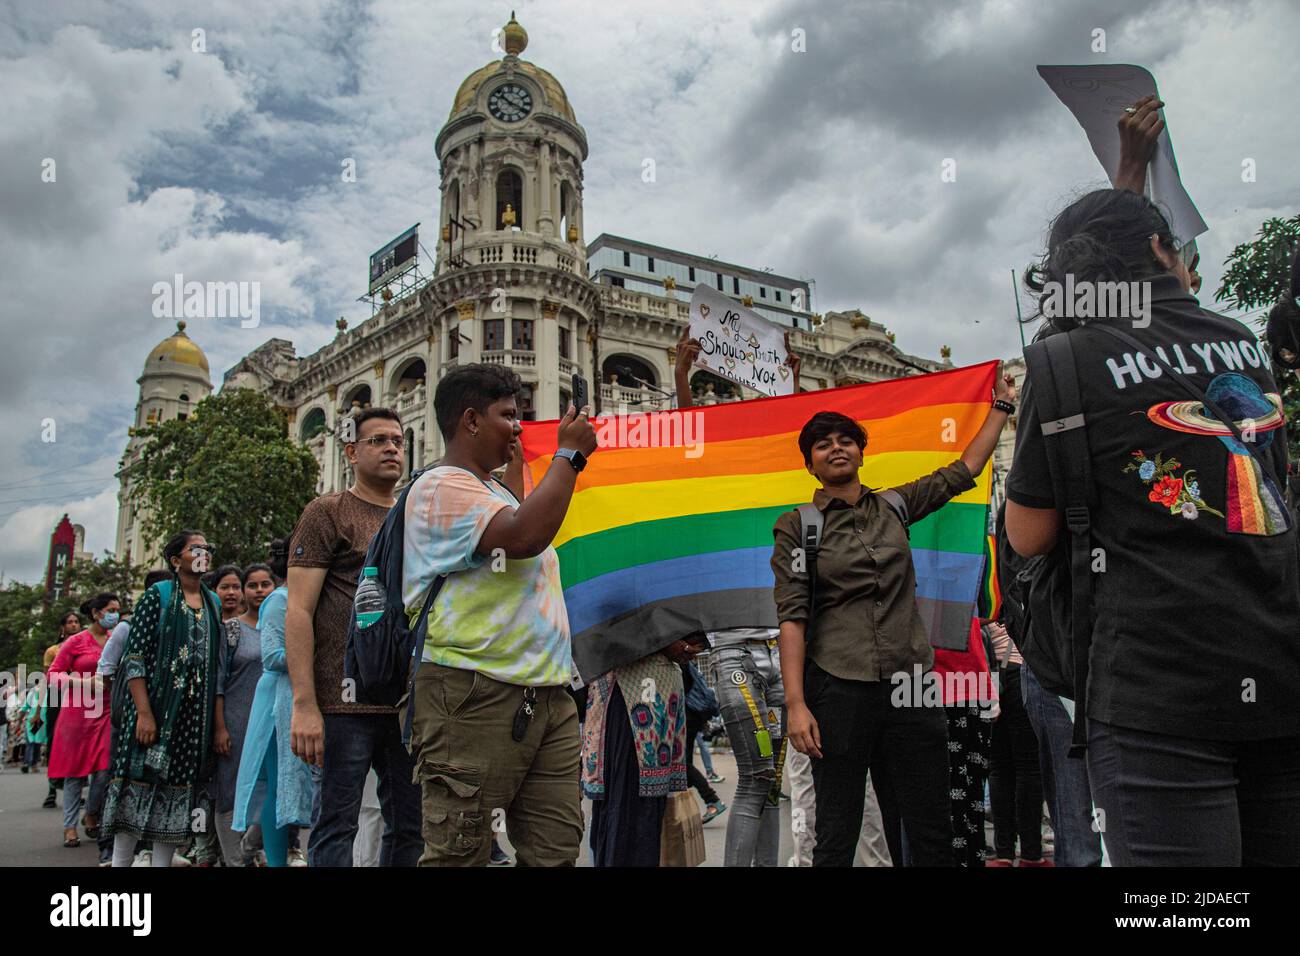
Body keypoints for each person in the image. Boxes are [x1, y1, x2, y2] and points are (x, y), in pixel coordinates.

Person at [1005, 188, 1300, 866]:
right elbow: (1272, 483)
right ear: (1161, 251)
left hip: (1154, 682)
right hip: (1278, 660)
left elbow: (1028, 536)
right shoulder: (1239, 340)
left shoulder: (1061, 362)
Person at [773, 371, 1016, 867]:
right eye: (823, 445)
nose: (836, 449)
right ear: (810, 464)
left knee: (931, 826)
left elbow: (965, 468)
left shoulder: (895, 506)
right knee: (836, 832)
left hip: (913, 683)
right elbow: (792, 617)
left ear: (862, 454)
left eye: (846, 441)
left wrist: (1002, 409)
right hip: (837, 687)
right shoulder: (799, 526)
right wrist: (796, 705)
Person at [403, 364, 596, 866]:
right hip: (472, 697)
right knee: (459, 853)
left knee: (555, 851)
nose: (518, 427)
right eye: (509, 415)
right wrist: (569, 455)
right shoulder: (439, 487)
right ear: (469, 420)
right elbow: (524, 537)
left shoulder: (496, 494)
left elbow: (524, 517)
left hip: (547, 699)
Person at [674, 327, 798, 866]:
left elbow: (791, 440)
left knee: (771, 782)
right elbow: (688, 449)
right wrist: (681, 377)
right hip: (738, 657)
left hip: (784, 655)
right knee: (754, 779)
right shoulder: (710, 500)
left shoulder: (779, 500)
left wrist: (788, 380)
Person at [287, 407, 421, 867]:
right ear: (351, 452)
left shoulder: (415, 515)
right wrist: (304, 705)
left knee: (410, 825)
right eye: (379, 441)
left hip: (404, 700)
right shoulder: (327, 512)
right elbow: (299, 611)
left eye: (398, 442)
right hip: (343, 702)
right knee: (335, 824)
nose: (391, 449)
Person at [101, 531, 223, 868]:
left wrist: (216, 725)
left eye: (207, 547)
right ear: (175, 560)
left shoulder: (212, 602)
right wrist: (143, 713)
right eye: (195, 548)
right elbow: (135, 657)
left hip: (191, 724)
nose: (203, 553)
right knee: (135, 796)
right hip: (153, 713)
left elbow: (215, 669)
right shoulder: (159, 595)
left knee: (175, 803)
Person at [584, 637, 702, 867]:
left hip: (658, 705)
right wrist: (667, 641)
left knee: (647, 815)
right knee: (626, 814)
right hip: (629, 701)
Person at [234, 544, 314, 867]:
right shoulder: (279, 601)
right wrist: (314, 656)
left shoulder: (301, 598)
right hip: (278, 701)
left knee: (285, 784)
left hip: (293, 695)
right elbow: (272, 657)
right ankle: (278, 859)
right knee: (277, 786)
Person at [212, 563, 276, 867]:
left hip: (274, 722)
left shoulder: (284, 627)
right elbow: (218, 683)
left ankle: (249, 849)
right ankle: (234, 861)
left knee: (273, 790)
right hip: (237, 722)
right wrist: (219, 727)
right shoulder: (232, 630)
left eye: (266, 584)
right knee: (229, 792)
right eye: (252, 585)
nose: (260, 590)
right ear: (244, 591)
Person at [48, 592, 118, 849]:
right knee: (74, 772)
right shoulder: (75, 642)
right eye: (111, 610)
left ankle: (91, 811)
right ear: (96, 613)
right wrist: (82, 682)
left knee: (104, 770)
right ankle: (69, 826)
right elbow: (53, 675)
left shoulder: (116, 639)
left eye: (118, 610)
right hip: (77, 712)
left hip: (107, 711)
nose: (115, 615)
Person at [984, 620, 1048, 866]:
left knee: (998, 767)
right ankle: (1031, 852)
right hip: (1020, 669)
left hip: (987, 671)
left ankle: (1004, 852)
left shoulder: (982, 584)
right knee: (1029, 768)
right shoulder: (1013, 584)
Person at [40, 611, 81, 809]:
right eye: (70, 622)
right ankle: (51, 789)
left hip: (81, 695)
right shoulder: (52, 650)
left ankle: (75, 788)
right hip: (57, 696)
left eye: (76, 622)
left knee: (78, 742)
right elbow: (47, 679)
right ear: (62, 627)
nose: (74, 625)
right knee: (53, 739)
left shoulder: (87, 646)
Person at [682, 660, 726, 823]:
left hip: (687, 717)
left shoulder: (679, 663)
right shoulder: (686, 662)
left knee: (682, 764)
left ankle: (712, 800)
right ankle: (687, 808)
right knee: (684, 763)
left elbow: (682, 690)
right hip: (693, 717)